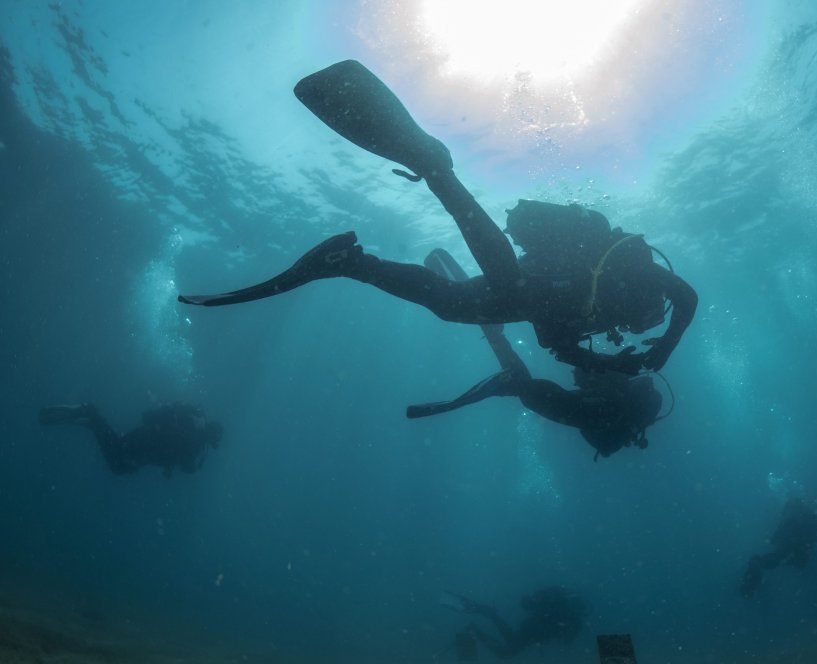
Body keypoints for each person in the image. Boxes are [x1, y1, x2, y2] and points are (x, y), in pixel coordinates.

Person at [178, 60, 697, 376]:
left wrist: (613, 363)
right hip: (523, 283)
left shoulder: (600, 319)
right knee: (508, 282)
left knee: (452, 306)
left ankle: (350, 263)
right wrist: (668, 349)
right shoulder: (636, 275)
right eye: (648, 321)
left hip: (521, 296)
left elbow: (556, 346)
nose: (637, 326)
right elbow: (687, 296)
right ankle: (435, 169)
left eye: (642, 328)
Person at [406, 249, 665, 460]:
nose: (574, 375)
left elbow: (572, 367)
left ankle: (507, 374)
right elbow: (573, 361)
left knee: (524, 387)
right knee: (524, 386)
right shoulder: (609, 395)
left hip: (591, 410)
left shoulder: (604, 401)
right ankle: (506, 366)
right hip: (592, 409)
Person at [38, 402, 223, 477]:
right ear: (212, 435)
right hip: (146, 444)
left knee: (117, 463)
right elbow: (188, 466)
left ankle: (90, 420)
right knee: (117, 460)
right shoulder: (197, 443)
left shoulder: (194, 434)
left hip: (147, 444)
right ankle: (90, 415)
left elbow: (178, 455)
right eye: (215, 439)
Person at [447, 586, 588, 661]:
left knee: (510, 640)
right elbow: (567, 640)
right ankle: (476, 630)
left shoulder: (565, 611)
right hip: (535, 629)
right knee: (505, 654)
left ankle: (492, 615)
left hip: (533, 626)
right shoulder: (572, 617)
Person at [741, 498, 817, 598]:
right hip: (800, 547)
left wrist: (775, 539)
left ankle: (755, 567)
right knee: (793, 561)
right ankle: (756, 567)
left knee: (780, 559)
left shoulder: (795, 517)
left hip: (792, 546)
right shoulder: (811, 514)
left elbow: (776, 537)